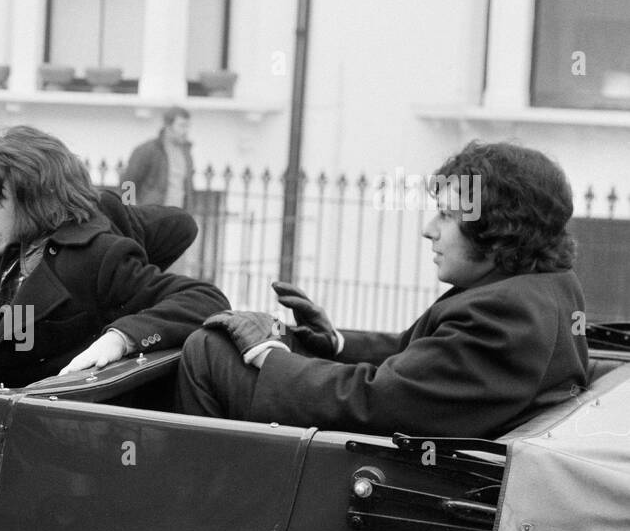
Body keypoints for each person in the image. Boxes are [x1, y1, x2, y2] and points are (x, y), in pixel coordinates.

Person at [175, 140, 590, 438]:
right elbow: (421, 364)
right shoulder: (544, 288)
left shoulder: (504, 312)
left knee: (210, 350)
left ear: (498, 229)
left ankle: (201, 510)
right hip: (432, 466)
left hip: (401, 491)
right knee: (229, 347)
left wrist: (269, 357)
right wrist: (335, 343)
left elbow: (377, 402)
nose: (429, 230)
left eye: (446, 216)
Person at [0, 125, 229, 389]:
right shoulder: (7, 260)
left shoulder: (95, 256)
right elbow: (6, 353)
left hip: (74, 416)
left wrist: (121, 337)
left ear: (38, 197)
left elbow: (206, 299)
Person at [120, 106, 194, 210]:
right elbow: (128, 181)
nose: (186, 130)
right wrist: (128, 212)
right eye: (182, 126)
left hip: (178, 218)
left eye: (187, 126)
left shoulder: (186, 153)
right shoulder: (148, 150)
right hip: (151, 217)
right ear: (168, 126)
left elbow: (187, 189)